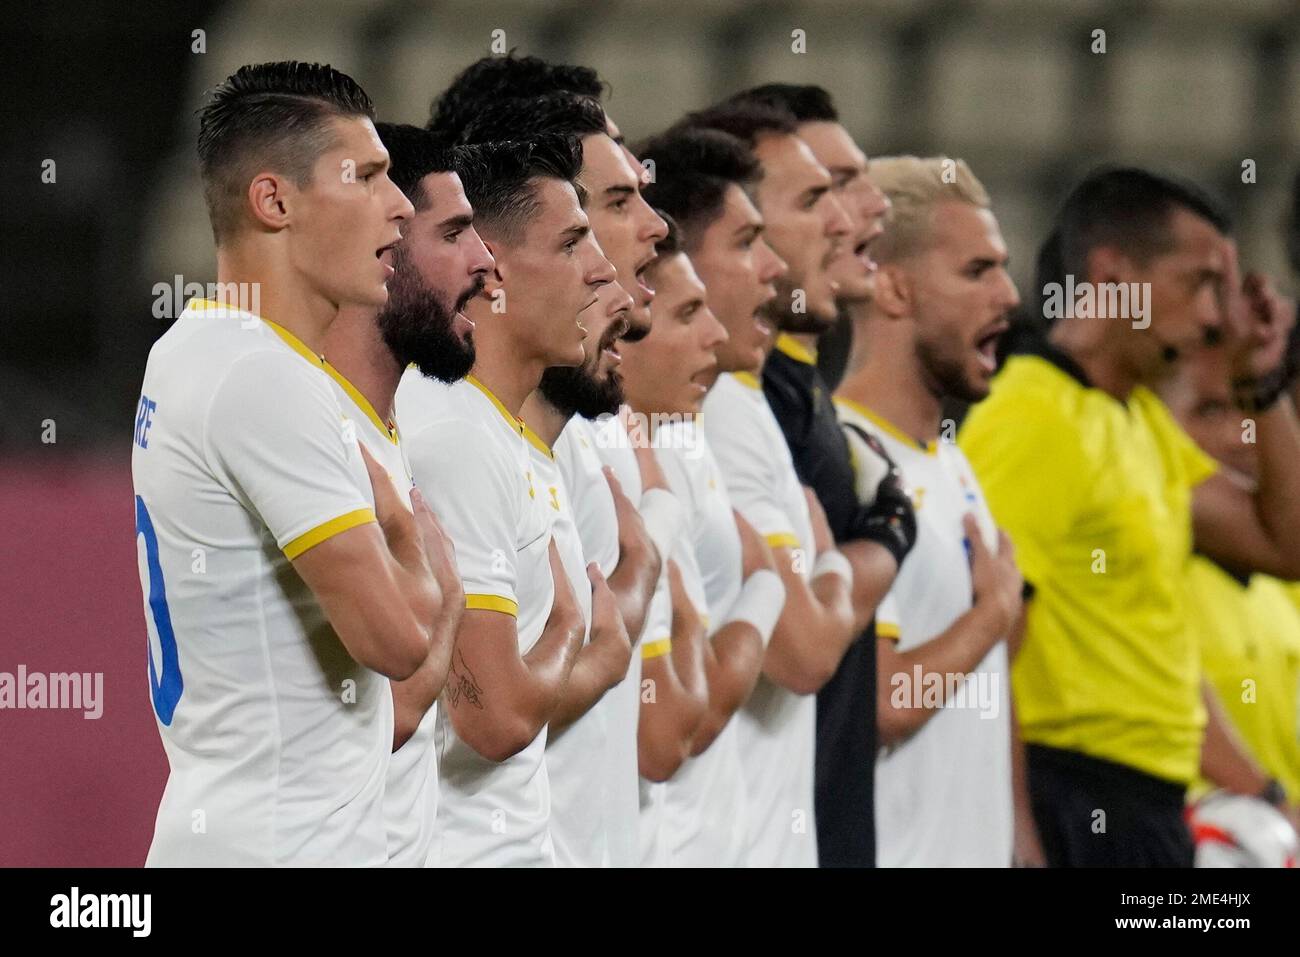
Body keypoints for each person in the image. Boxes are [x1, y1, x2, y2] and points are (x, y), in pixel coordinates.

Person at [132, 62, 451, 866]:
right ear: (274, 201)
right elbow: (397, 642)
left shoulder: (193, 351)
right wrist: (421, 551)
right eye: (368, 177)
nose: (400, 205)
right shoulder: (260, 375)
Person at [961, 166, 1300, 866]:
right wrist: (1016, 831)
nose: (1216, 316)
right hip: (1077, 796)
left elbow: (1284, 543)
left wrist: (1261, 382)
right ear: (1114, 273)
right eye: (1200, 281)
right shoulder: (1031, 417)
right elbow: (988, 646)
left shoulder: (1137, 420)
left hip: (1148, 804)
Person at [639, 123, 887, 865]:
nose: (774, 269)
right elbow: (803, 652)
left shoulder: (717, 405)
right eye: (747, 242)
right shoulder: (706, 415)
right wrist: (838, 562)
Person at [395, 135, 615, 866]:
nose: (602, 272)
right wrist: (582, 635)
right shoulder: (454, 431)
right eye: (574, 243)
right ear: (496, 269)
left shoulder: (509, 436)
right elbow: (492, 719)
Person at [833, 156, 1027, 865]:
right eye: (977, 271)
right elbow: (880, 704)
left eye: (1003, 268)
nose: (1008, 293)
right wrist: (991, 617)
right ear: (891, 285)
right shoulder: (850, 461)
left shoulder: (948, 458)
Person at [319, 123, 493, 865]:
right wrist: (449, 607)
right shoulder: (320, 439)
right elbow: (342, 734)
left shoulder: (386, 427)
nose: (485, 262)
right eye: (453, 232)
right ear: (387, 244)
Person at [618, 216, 787, 866]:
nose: (714, 333)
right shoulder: (626, 466)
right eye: (688, 312)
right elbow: (674, 730)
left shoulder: (674, 441)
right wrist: (768, 586)